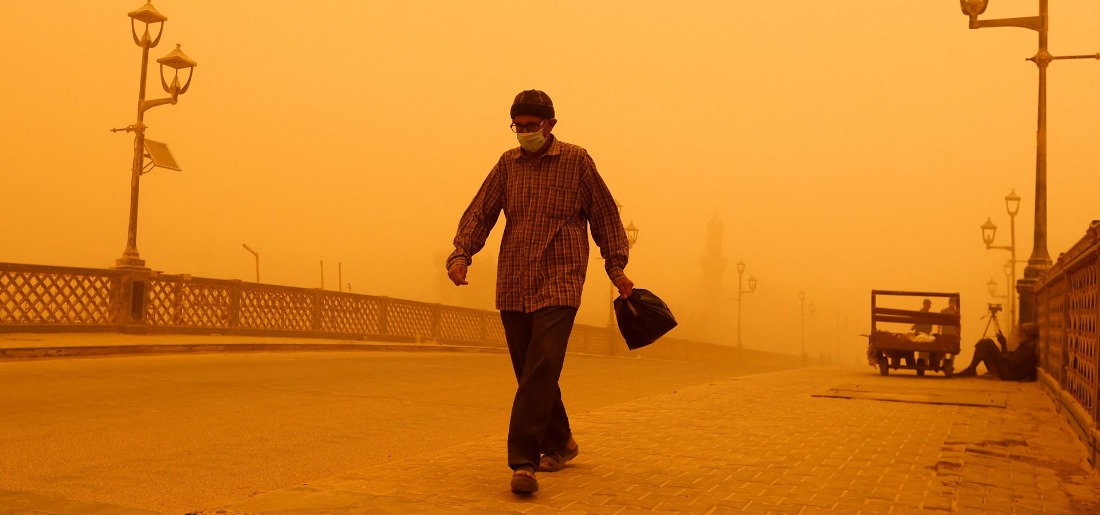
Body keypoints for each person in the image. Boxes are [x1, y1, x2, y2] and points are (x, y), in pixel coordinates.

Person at [445, 89, 634, 494]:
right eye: (519, 126)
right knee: (530, 370)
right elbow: (481, 211)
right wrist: (461, 254)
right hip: (514, 281)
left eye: (532, 126)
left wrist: (616, 268)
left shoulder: (577, 162)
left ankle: (523, 462)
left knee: (542, 364)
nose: (525, 133)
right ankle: (562, 440)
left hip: (561, 279)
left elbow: (604, 215)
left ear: (550, 125)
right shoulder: (507, 165)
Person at [954, 322, 1039, 381]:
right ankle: (972, 368)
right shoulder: (1027, 346)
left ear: (1028, 335)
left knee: (987, 343)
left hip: (1008, 373)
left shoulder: (1029, 348)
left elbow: (1012, 363)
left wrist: (1000, 355)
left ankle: (972, 369)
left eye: (1022, 333)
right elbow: (1011, 360)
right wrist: (1003, 344)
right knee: (984, 342)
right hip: (1008, 369)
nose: (1020, 335)